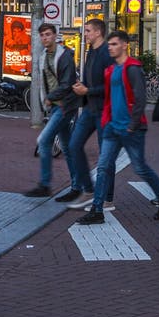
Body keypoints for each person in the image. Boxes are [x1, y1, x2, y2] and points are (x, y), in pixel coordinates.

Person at [76, 30, 159, 224]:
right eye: (109, 44)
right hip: (112, 127)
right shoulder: (111, 70)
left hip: (130, 129)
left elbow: (140, 98)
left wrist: (132, 125)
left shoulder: (133, 68)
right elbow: (109, 98)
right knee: (103, 167)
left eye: (114, 44)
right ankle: (97, 210)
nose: (110, 48)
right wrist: (106, 121)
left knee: (140, 168)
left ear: (125, 45)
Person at [55, 19, 116, 211]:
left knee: (105, 154)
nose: (86, 34)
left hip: (104, 110)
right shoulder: (91, 51)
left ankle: (108, 198)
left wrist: (87, 90)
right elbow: (90, 81)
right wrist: (81, 88)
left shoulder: (107, 53)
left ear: (98, 32)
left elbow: (111, 86)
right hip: (90, 108)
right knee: (73, 145)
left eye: (88, 30)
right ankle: (89, 190)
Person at [24, 23, 78, 198]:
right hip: (55, 106)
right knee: (67, 147)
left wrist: (50, 97)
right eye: (42, 35)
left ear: (55, 35)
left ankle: (45, 185)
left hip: (64, 106)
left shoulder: (65, 56)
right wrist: (46, 101)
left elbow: (67, 83)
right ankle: (77, 186)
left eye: (48, 34)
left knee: (44, 140)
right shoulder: (43, 56)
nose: (45, 38)